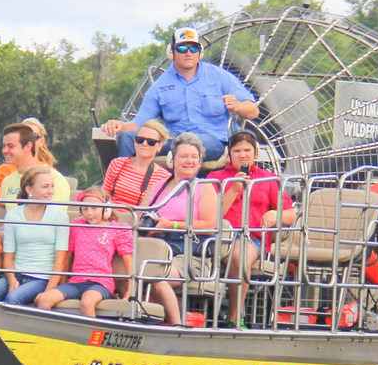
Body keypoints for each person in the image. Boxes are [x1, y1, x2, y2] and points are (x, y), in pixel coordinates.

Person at [97, 27, 260, 162]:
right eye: (182, 48)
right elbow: (139, 123)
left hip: (212, 141)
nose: (188, 53)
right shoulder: (160, 86)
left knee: (189, 145)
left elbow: (253, 111)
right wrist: (118, 125)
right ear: (172, 53)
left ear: (200, 52)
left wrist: (237, 106)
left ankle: (188, 195)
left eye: (193, 48)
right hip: (172, 142)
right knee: (128, 137)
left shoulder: (219, 76)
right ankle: (124, 189)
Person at [206, 130, 297, 326]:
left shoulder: (268, 179)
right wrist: (234, 188)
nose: (242, 155)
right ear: (229, 154)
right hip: (218, 236)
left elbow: (291, 215)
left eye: (247, 150)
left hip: (252, 238)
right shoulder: (216, 177)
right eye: (237, 150)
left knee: (239, 254)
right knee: (232, 250)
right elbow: (212, 215)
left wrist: (274, 214)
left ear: (256, 154)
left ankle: (234, 317)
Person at [141, 133, 222, 325]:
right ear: (172, 159)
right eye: (184, 156)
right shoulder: (159, 187)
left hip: (188, 254)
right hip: (157, 247)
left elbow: (210, 225)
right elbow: (140, 216)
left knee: (156, 276)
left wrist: (173, 225)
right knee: (126, 267)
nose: (189, 161)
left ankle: (177, 325)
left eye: (194, 157)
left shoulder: (205, 187)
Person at [36, 189, 133, 318]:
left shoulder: (115, 229)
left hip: (100, 282)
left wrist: (129, 293)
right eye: (85, 209)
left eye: (94, 208)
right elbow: (68, 256)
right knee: (43, 300)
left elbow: (129, 262)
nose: (89, 213)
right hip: (76, 282)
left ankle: (92, 335)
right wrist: (63, 282)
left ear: (106, 209)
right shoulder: (77, 226)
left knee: (87, 303)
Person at [0, 166, 71, 306]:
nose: (50, 191)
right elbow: (8, 257)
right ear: (29, 190)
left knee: (13, 299)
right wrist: (11, 279)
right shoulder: (13, 215)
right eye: (45, 187)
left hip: (42, 278)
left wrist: (48, 291)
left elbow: (60, 261)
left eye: (52, 187)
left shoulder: (59, 216)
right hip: (16, 274)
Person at [100, 117, 174, 219]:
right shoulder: (117, 164)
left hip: (136, 224)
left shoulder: (164, 177)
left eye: (151, 142)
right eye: (140, 140)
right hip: (110, 219)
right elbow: (103, 196)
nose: (144, 144)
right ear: (134, 142)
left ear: (159, 146)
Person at [0, 124, 73, 204]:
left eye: (11, 146)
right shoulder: (7, 182)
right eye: (4, 146)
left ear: (28, 146)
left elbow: (56, 216)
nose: (5, 151)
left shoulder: (55, 179)